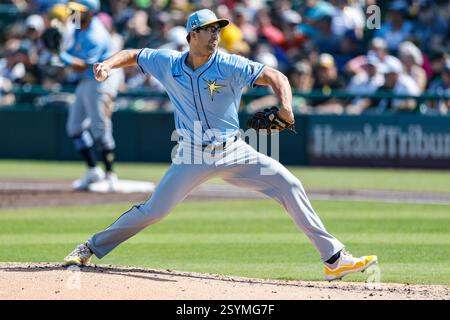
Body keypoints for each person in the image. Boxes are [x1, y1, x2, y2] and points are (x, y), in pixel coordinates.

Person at [64, 9, 377, 281]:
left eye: (218, 29)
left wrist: (287, 109)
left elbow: (277, 76)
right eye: (209, 30)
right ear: (192, 35)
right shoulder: (169, 62)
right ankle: (90, 247)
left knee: (289, 184)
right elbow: (133, 54)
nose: (215, 35)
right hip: (191, 155)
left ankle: (334, 260)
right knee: (154, 211)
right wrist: (106, 64)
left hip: (233, 151)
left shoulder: (229, 64)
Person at [58, 0, 124, 191]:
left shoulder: (96, 34)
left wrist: (62, 57)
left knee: (100, 130)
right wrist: (58, 50)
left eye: (77, 11)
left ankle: (111, 174)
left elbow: (87, 65)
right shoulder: (80, 28)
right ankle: (93, 170)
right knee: (74, 127)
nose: (72, 13)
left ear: (90, 12)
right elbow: (72, 55)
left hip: (101, 80)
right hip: (87, 81)